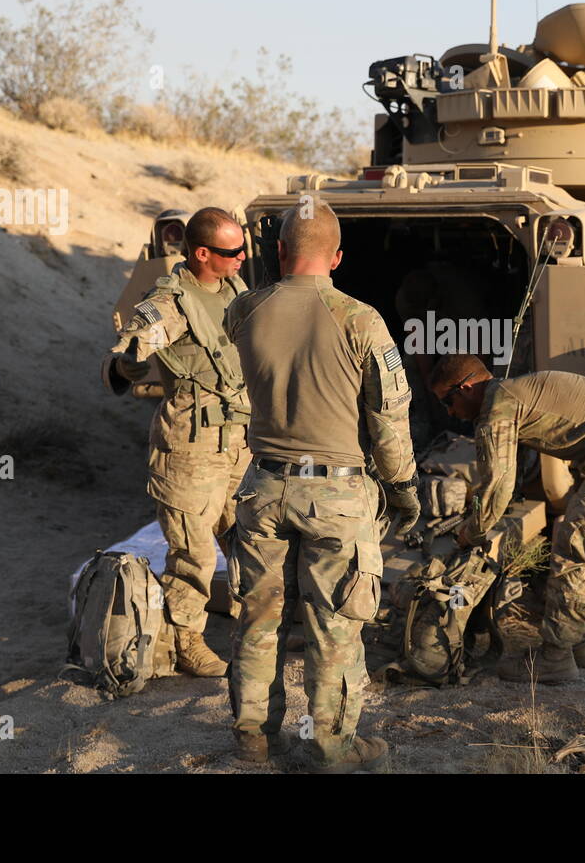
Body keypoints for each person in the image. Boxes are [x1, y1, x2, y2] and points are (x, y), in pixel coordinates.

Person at [224, 197, 420, 771]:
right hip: (334, 496)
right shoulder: (361, 320)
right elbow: (390, 423)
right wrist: (405, 490)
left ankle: (253, 740)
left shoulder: (243, 311)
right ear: (338, 257)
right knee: (334, 627)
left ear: (279, 252)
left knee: (259, 621)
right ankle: (333, 747)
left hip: (262, 487)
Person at [429, 356, 585, 683]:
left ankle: (555, 659)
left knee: (577, 551)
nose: (450, 412)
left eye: (447, 401)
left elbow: (498, 485)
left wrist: (470, 532)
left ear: (467, 388)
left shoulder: (498, 404)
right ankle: (578, 646)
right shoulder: (513, 393)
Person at [102, 207, 252, 677]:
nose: (242, 258)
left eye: (244, 248)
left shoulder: (235, 289)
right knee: (194, 551)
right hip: (190, 445)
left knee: (247, 537)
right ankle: (187, 641)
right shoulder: (169, 299)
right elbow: (134, 343)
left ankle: (251, 621)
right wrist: (129, 360)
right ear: (202, 253)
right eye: (232, 252)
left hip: (238, 440)